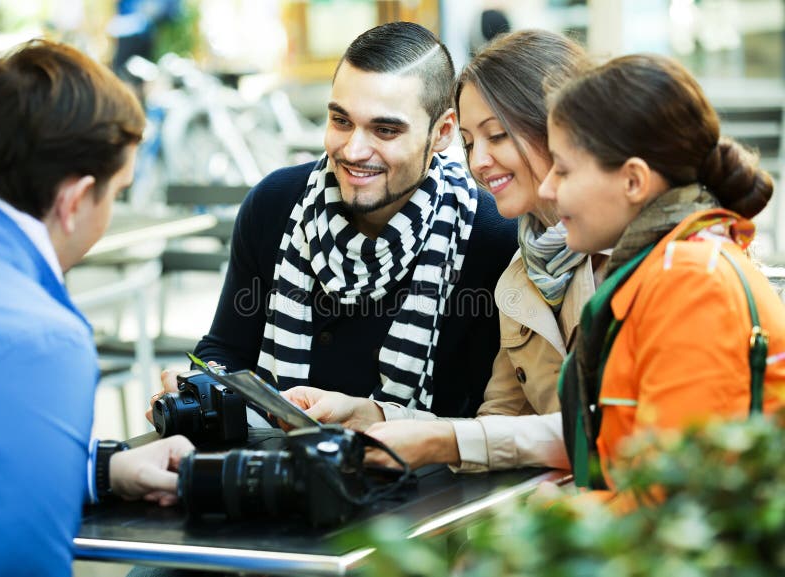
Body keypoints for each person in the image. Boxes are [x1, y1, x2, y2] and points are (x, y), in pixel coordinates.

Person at [150, 22, 517, 425]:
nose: (354, 150)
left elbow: (491, 423)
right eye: (341, 121)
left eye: (385, 130)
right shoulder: (274, 203)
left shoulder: (491, 236)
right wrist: (200, 385)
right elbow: (226, 349)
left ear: (442, 132)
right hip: (277, 455)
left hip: (421, 465)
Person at [282, 30, 595, 472]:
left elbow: (623, 430)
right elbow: (498, 423)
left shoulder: (633, 254)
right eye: (470, 142)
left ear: (563, 131)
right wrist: (373, 416)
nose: (478, 161)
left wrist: (439, 440)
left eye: (497, 135)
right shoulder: (524, 268)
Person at [0, 40, 194, 577]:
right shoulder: (41, 338)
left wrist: (102, 469)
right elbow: (19, 563)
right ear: (75, 200)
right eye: (118, 193)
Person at [540, 53, 785, 492]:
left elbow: (675, 500)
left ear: (634, 181)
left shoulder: (691, 282)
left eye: (562, 169)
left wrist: (557, 516)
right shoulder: (672, 266)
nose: (547, 188)